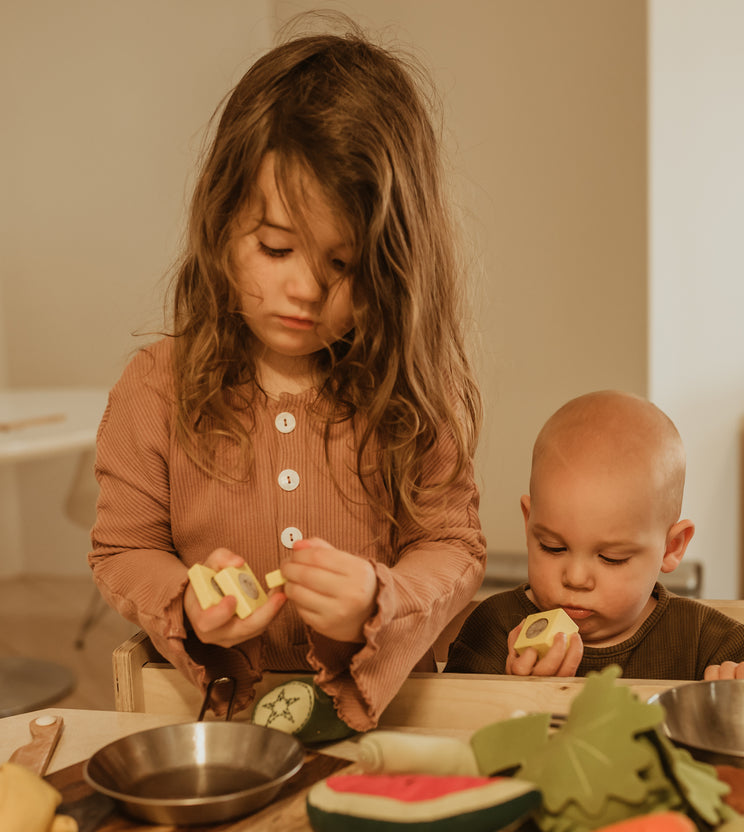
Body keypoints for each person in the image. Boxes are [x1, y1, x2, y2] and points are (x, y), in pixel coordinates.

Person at [90, 22, 486, 730]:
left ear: (394, 266)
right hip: (217, 723)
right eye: (276, 247)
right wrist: (184, 601)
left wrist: (379, 598)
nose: (306, 290)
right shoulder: (155, 388)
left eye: (343, 264)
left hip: (381, 722)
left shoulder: (414, 392)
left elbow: (453, 547)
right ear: (221, 224)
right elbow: (124, 547)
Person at [444, 391, 744, 682]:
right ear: (528, 523)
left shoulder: (710, 646)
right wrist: (511, 695)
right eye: (553, 547)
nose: (576, 578)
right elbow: (449, 740)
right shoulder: (493, 630)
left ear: (671, 547)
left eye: (611, 557)